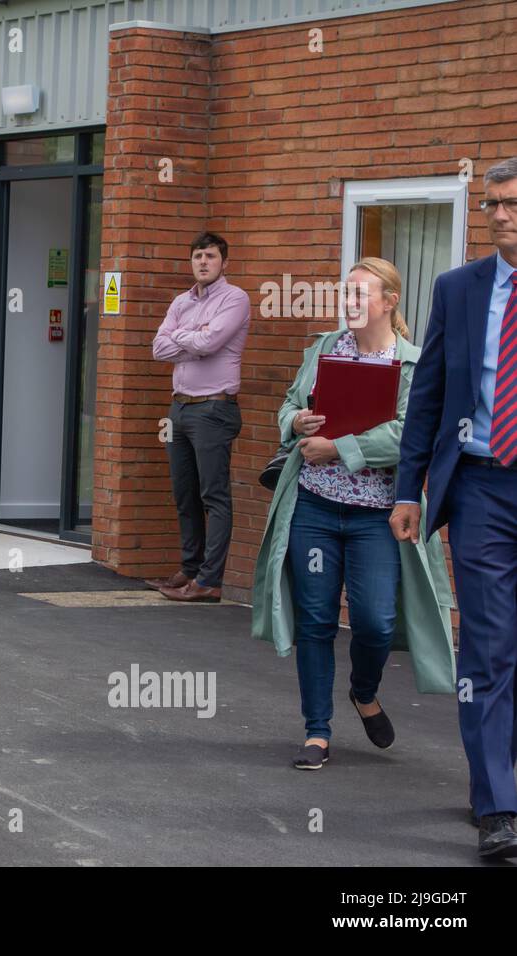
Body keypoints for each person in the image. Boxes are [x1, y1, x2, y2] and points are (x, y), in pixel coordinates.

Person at [251, 257, 455, 773]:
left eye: (361, 293)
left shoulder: (411, 362)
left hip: (378, 517)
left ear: (389, 301)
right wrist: (296, 420)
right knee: (317, 621)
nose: (350, 302)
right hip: (315, 508)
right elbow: (288, 406)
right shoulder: (323, 349)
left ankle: (364, 692)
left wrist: (339, 447)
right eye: (346, 293)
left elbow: (412, 434)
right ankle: (317, 732)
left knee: (374, 621)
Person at [393, 156, 517, 859]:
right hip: (480, 488)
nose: (499, 215)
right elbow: (430, 399)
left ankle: (498, 768)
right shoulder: (459, 289)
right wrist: (409, 488)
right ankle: (498, 803)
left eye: (511, 203)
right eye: (491, 204)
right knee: (488, 647)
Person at [149, 232, 250, 602]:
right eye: (197, 256)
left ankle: (209, 581)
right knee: (184, 493)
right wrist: (195, 337)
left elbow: (210, 344)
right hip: (179, 407)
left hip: (214, 408)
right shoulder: (180, 301)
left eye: (210, 256)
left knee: (213, 495)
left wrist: (185, 337)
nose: (203, 262)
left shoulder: (235, 298)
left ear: (224, 262)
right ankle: (189, 569)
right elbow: (158, 348)